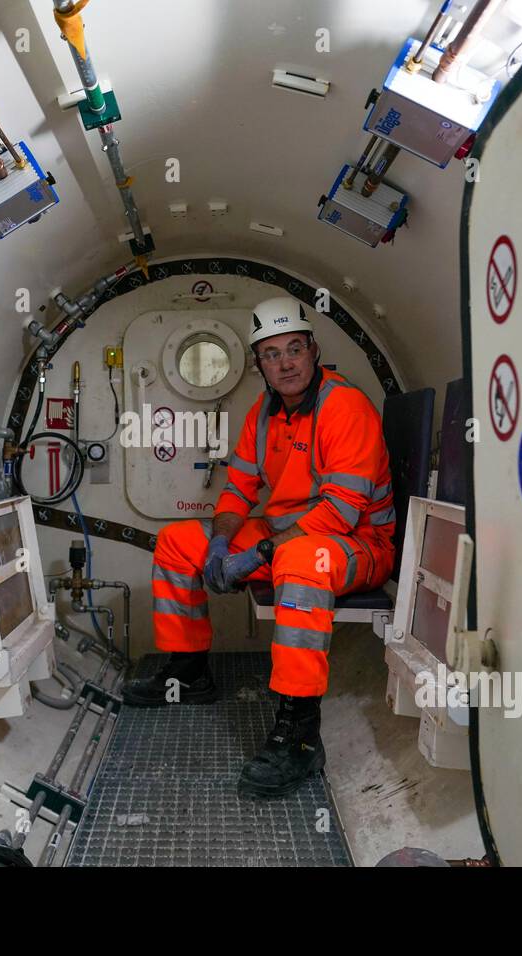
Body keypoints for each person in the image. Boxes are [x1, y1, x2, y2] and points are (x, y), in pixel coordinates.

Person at [123, 295, 397, 798]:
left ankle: (299, 733)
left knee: (299, 558)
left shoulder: (345, 406)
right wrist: (221, 543)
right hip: (285, 537)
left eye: (294, 349)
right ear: (259, 365)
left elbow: (341, 512)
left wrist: (259, 555)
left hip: (358, 542)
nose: (285, 363)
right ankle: (188, 673)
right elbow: (237, 490)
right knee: (178, 541)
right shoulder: (263, 413)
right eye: (271, 354)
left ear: (313, 350)